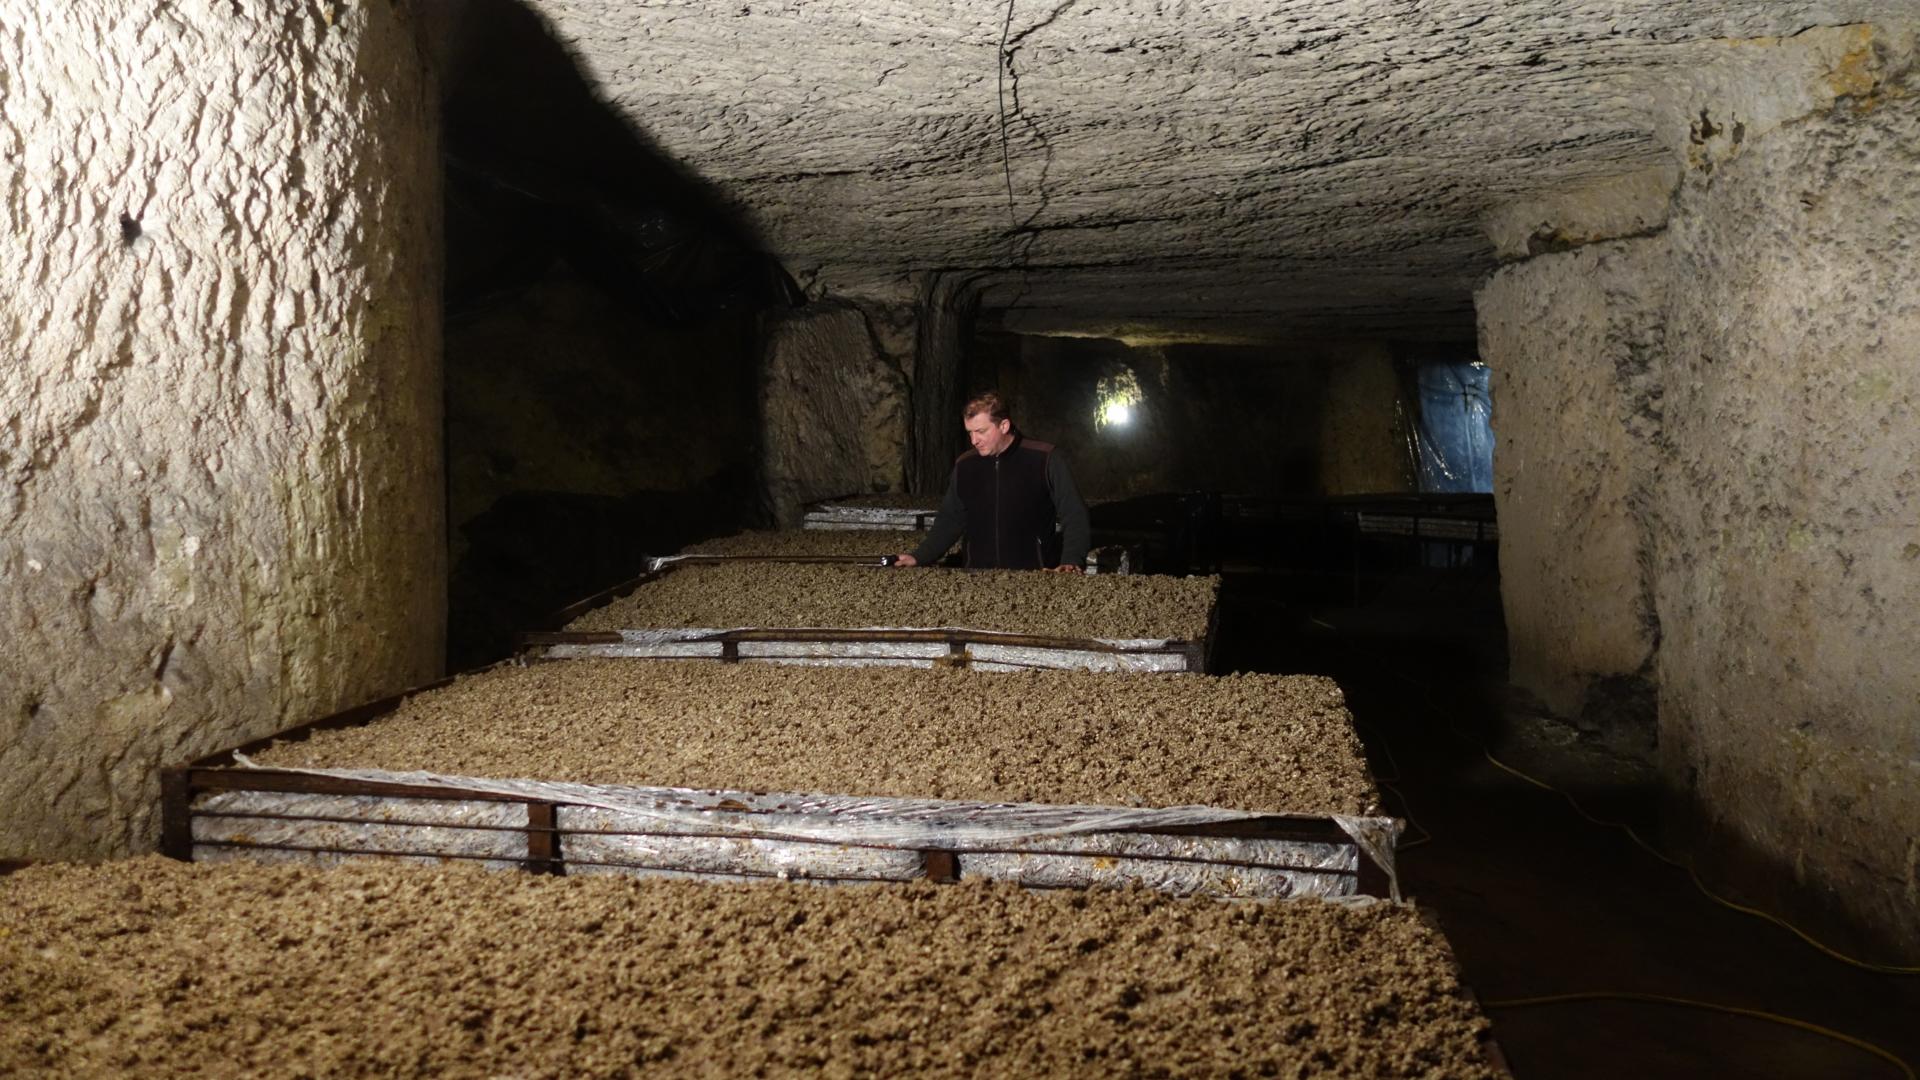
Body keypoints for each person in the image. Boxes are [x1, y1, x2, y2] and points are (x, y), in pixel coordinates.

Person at [892, 392, 1090, 571]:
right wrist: (919, 557)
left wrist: (1071, 560)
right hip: (976, 576)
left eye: (981, 431)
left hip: (1034, 574)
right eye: (970, 432)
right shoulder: (965, 466)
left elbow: (1074, 514)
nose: (974, 440)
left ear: (1004, 425)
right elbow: (950, 519)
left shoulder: (1045, 459)